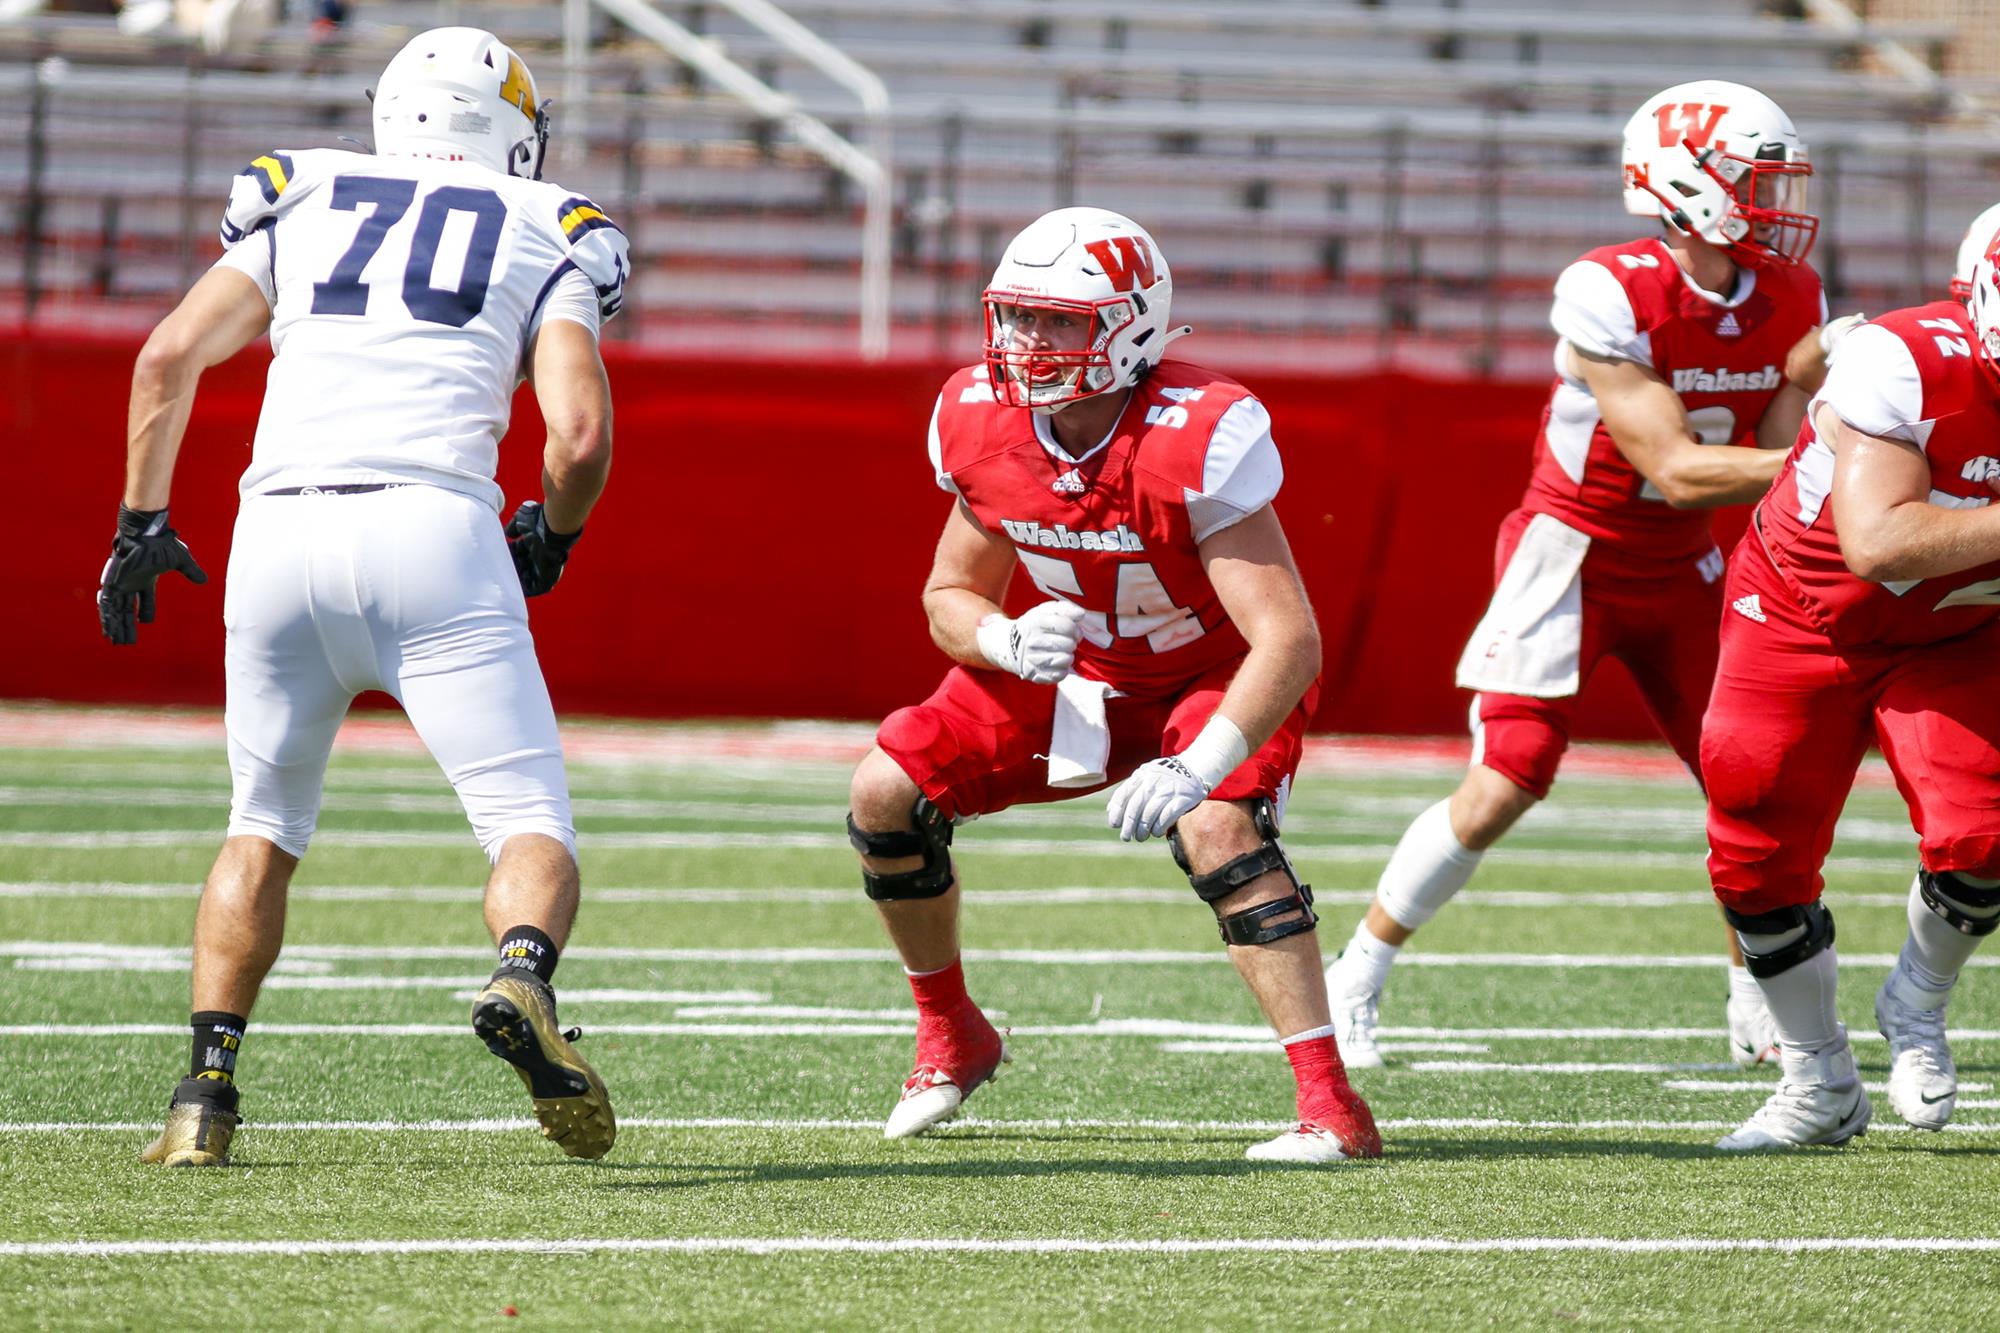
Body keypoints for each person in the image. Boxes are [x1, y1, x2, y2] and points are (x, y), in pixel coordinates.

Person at [99, 27, 628, 1166]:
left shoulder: (304, 197)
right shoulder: (546, 225)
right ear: (515, 134)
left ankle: (202, 1096)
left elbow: (165, 359)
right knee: (527, 821)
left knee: (260, 825)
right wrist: (552, 531)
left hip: (277, 531)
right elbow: (579, 435)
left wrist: (142, 521)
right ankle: (521, 974)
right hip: (436, 528)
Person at [845, 206, 1380, 1164]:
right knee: (884, 791)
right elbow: (947, 596)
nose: (1026, 341)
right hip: (1084, 679)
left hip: (1213, 675)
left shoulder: (1193, 431)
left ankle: (1331, 1104)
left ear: (1131, 328)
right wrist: (1005, 638)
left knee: (1217, 825)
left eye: (1057, 320)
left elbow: (1288, 640)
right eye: (1017, 315)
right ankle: (951, 1033)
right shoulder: (980, 419)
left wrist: (1201, 764)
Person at [1323, 80, 1839, 1070]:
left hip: (1682, 564)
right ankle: (1358, 969)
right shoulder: (1611, 288)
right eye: (1754, 178)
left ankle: (1754, 991)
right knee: (1508, 775)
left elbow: (1768, 448)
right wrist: (1840, 459)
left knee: (1748, 784)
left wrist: (1813, 382)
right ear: (1687, 185)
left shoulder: (1789, 295)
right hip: (1572, 554)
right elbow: (1679, 470)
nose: (1775, 199)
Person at [1706, 213, 2000, 1149]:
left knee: (1985, 830)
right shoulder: (1907, 362)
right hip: (1801, 611)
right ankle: (1817, 1080)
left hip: (1957, 629)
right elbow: (1878, 542)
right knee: (1754, 849)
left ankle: (1917, 998)